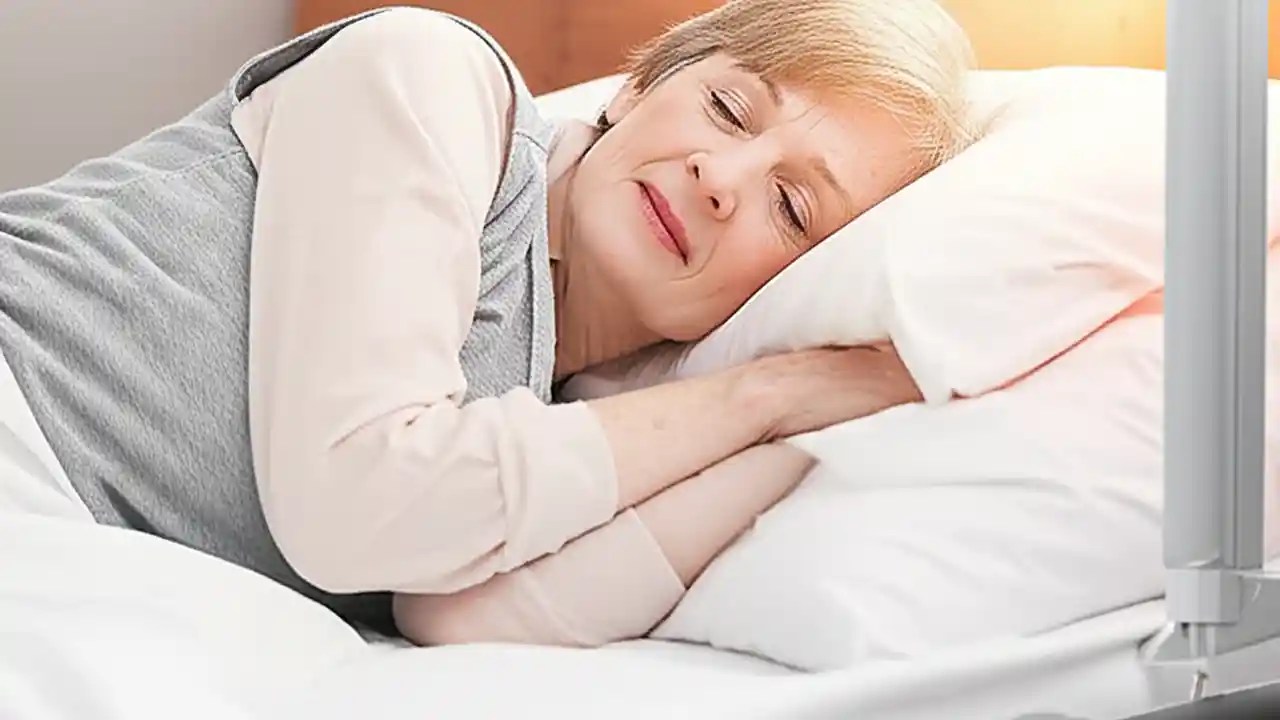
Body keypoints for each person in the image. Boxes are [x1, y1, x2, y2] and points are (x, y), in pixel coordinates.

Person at [0, 0, 974, 646]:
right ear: (637, 88)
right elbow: (358, 505)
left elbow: (467, 620)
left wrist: (801, 419)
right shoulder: (433, 77)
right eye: (727, 108)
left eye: (792, 208)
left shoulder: (613, 414)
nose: (719, 182)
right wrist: (762, 393)